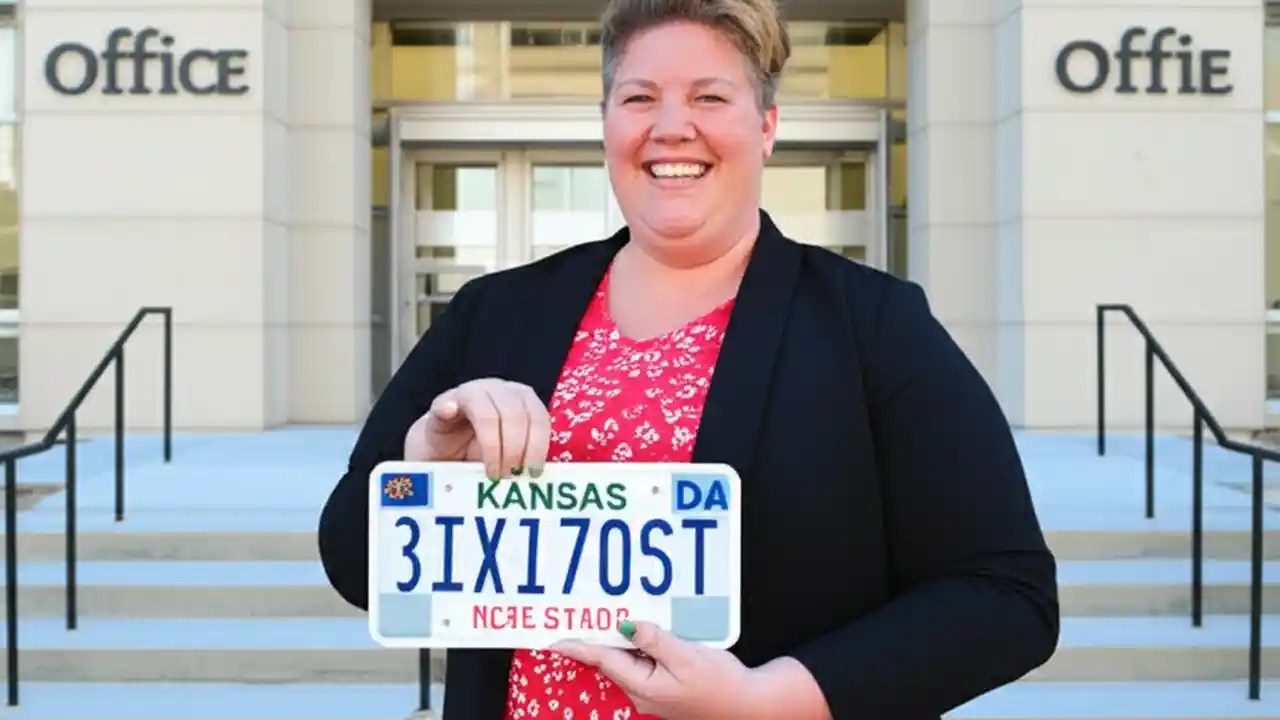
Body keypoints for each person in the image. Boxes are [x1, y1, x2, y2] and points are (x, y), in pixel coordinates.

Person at [317, 0, 1060, 717]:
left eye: (710, 96)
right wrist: (421, 467)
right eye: (640, 98)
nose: (672, 129)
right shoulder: (495, 315)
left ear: (766, 126)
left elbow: (1005, 594)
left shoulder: (874, 327)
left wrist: (769, 701)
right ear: (606, 124)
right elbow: (353, 557)